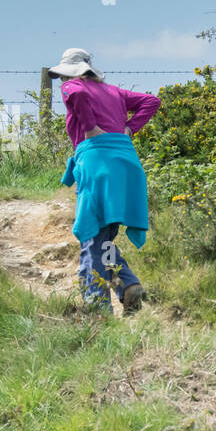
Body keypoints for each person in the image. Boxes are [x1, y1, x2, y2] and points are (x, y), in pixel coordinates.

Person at [50, 47, 160, 315]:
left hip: (99, 166)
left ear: (72, 73)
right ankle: (127, 285)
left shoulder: (73, 86)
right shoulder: (114, 92)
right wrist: (128, 129)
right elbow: (151, 101)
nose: (64, 82)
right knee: (104, 238)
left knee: (90, 235)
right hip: (126, 169)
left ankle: (97, 308)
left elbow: (74, 93)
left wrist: (90, 128)